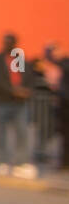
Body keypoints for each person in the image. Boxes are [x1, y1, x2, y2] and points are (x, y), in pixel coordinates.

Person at [0, 32, 35, 178]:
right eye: (5, 42)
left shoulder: (21, 59)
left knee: (22, 132)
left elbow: (28, 77)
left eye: (10, 42)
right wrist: (13, 91)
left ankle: (21, 163)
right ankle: (2, 162)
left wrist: (26, 91)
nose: (7, 45)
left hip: (20, 103)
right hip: (1, 101)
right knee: (0, 133)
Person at [46, 42, 69, 171]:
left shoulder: (65, 62)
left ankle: (65, 162)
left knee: (66, 136)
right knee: (63, 136)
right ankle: (65, 162)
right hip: (63, 105)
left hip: (66, 104)